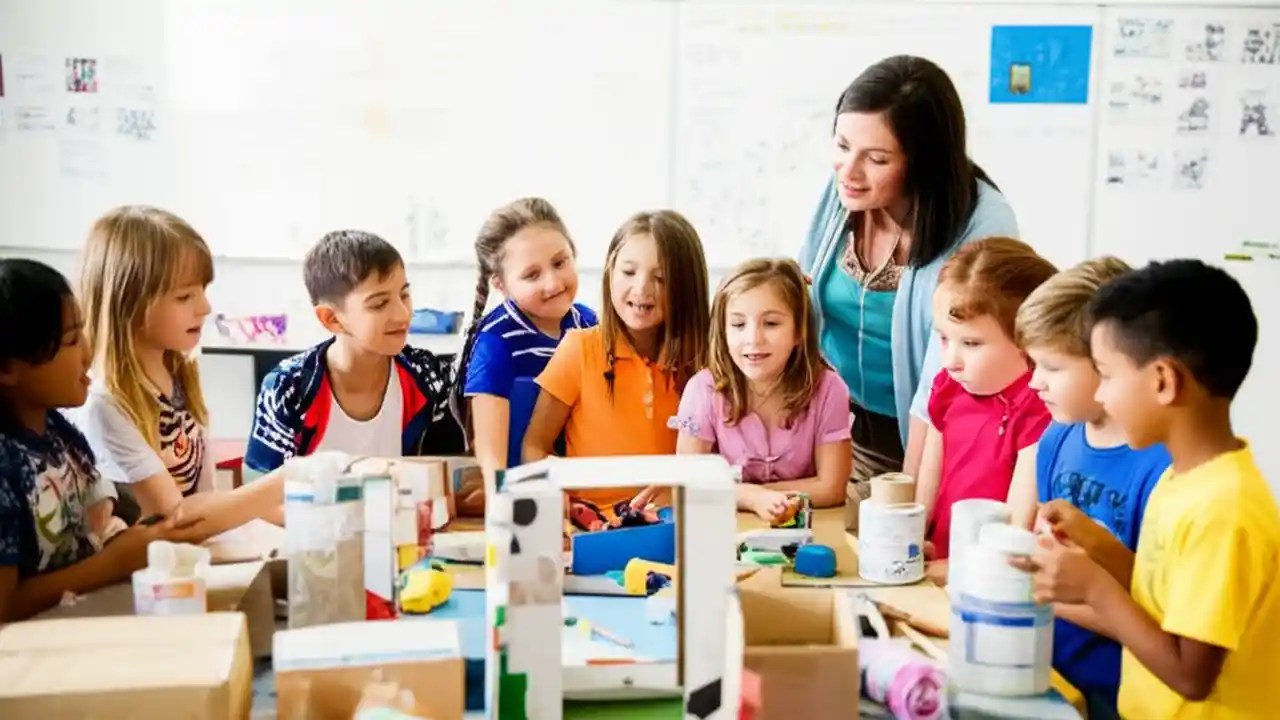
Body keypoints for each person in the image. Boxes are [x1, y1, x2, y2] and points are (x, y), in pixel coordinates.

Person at [1016, 259, 1280, 718]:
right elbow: (1161, 594)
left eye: (1109, 376)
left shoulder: (1225, 508)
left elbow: (1192, 675)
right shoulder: (1188, 479)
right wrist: (1095, 543)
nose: (1101, 395)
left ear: (1163, 381)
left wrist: (1096, 589)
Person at [799, 55, 1019, 484]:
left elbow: (943, 376)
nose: (849, 171)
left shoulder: (983, 225)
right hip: (843, 440)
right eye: (842, 146)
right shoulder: (844, 190)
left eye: (877, 159)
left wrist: (914, 492)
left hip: (933, 452)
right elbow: (801, 290)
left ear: (923, 161)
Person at [1009, 256, 1170, 718]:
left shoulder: (1163, 468)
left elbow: (1159, 617)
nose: (1035, 382)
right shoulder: (1057, 436)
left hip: (1120, 694)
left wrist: (1042, 592)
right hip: (1047, 669)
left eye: (1052, 367)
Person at [70, 206, 282, 539]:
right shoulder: (105, 404)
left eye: (203, 291)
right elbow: (177, 517)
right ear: (130, 304)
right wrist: (287, 481)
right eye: (185, 296)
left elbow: (206, 498)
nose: (205, 308)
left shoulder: (181, 373)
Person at [0, 259, 177, 621]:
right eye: (70, 340)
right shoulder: (6, 465)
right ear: (6, 368)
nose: (87, 350)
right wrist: (111, 564)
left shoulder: (61, 434)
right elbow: (6, 606)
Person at [524, 210, 710, 511]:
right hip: (589, 527)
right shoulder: (579, 349)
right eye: (628, 272)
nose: (641, 289)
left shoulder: (704, 363)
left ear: (686, 288)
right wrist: (559, 502)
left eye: (660, 278)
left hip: (674, 522)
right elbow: (534, 447)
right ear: (610, 272)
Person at [245, 230, 460, 474]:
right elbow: (260, 490)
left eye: (404, 295)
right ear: (332, 319)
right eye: (379, 304)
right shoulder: (289, 388)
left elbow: (445, 475)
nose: (402, 314)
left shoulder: (427, 375)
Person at [671, 258, 851, 522]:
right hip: (723, 535)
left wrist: (755, 495)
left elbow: (832, 488)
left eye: (771, 324)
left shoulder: (828, 389)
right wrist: (752, 498)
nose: (753, 339)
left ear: (799, 331)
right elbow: (687, 489)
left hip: (810, 533)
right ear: (722, 330)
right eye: (738, 324)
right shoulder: (703, 390)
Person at [449, 198, 596, 512]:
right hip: (526, 499)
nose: (553, 283)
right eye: (532, 275)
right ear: (501, 285)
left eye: (560, 262)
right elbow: (493, 461)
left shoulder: (589, 323)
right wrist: (502, 504)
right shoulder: (497, 342)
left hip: (587, 496)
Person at [915, 237, 1054, 565]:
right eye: (944, 338)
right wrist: (912, 542)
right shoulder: (948, 387)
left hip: (989, 573)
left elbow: (1016, 532)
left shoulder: (1038, 408)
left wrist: (939, 571)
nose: (951, 360)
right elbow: (927, 485)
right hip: (938, 559)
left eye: (972, 344)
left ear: (1026, 340)